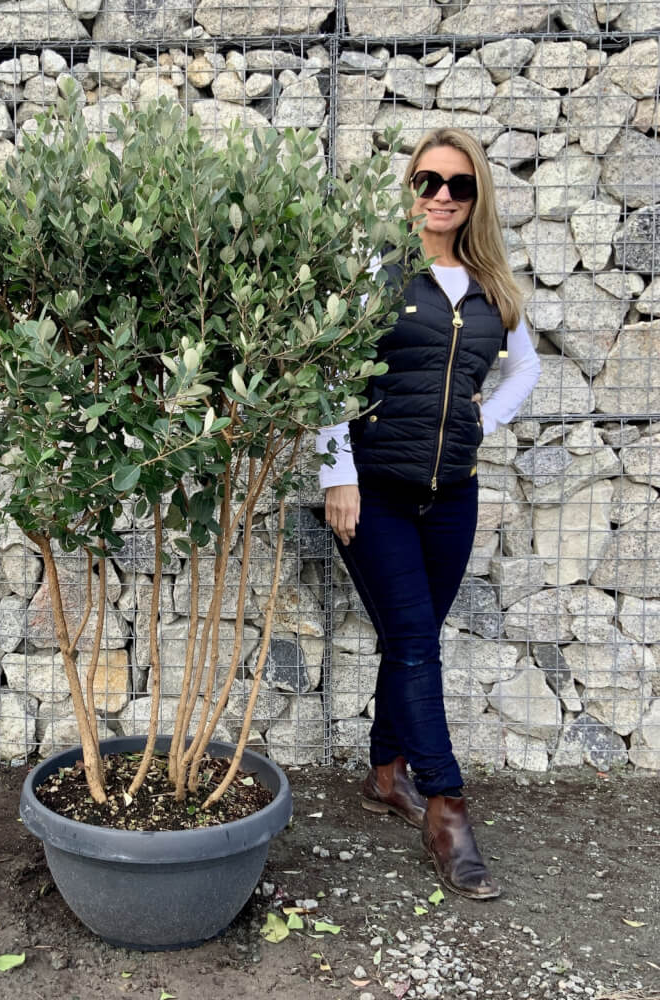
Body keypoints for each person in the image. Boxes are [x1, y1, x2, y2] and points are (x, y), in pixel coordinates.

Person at [318, 128, 541, 900]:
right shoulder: (375, 274)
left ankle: (387, 771)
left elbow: (527, 369)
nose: (442, 194)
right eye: (428, 180)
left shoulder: (491, 289)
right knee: (414, 637)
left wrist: (488, 418)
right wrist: (336, 473)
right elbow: (326, 371)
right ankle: (446, 805)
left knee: (412, 638)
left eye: (458, 184)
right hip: (373, 491)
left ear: (476, 197)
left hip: (453, 494)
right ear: (409, 188)